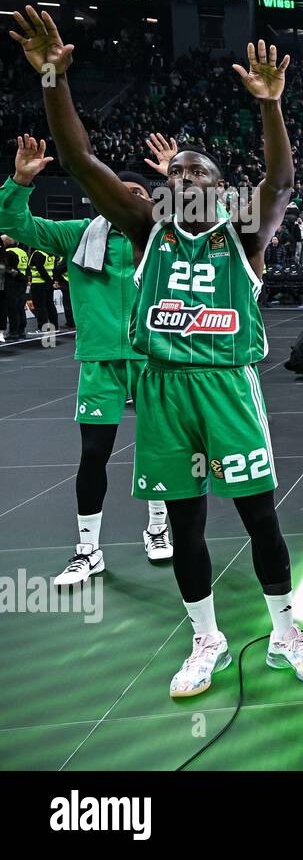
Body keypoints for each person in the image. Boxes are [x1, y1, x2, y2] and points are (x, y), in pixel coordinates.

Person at [18, 7, 303, 696]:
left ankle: (286, 630)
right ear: (165, 190)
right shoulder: (143, 228)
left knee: (260, 517)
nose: (187, 179)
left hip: (228, 389)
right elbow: (78, 159)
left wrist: (272, 108)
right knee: (187, 526)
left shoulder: (243, 237)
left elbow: (279, 186)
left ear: (221, 191)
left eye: (200, 174)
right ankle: (206, 639)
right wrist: (52, 78)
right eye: (179, 174)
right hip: (164, 391)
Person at [1, 135, 173, 584]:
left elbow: (223, 224)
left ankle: (156, 529)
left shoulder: (166, 238)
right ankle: (87, 549)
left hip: (155, 360)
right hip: (100, 363)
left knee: (160, 452)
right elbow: (14, 222)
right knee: (93, 455)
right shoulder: (79, 235)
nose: (126, 198)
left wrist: (177, 177)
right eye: (118, 190)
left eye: (137, 193)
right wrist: (19, 181)